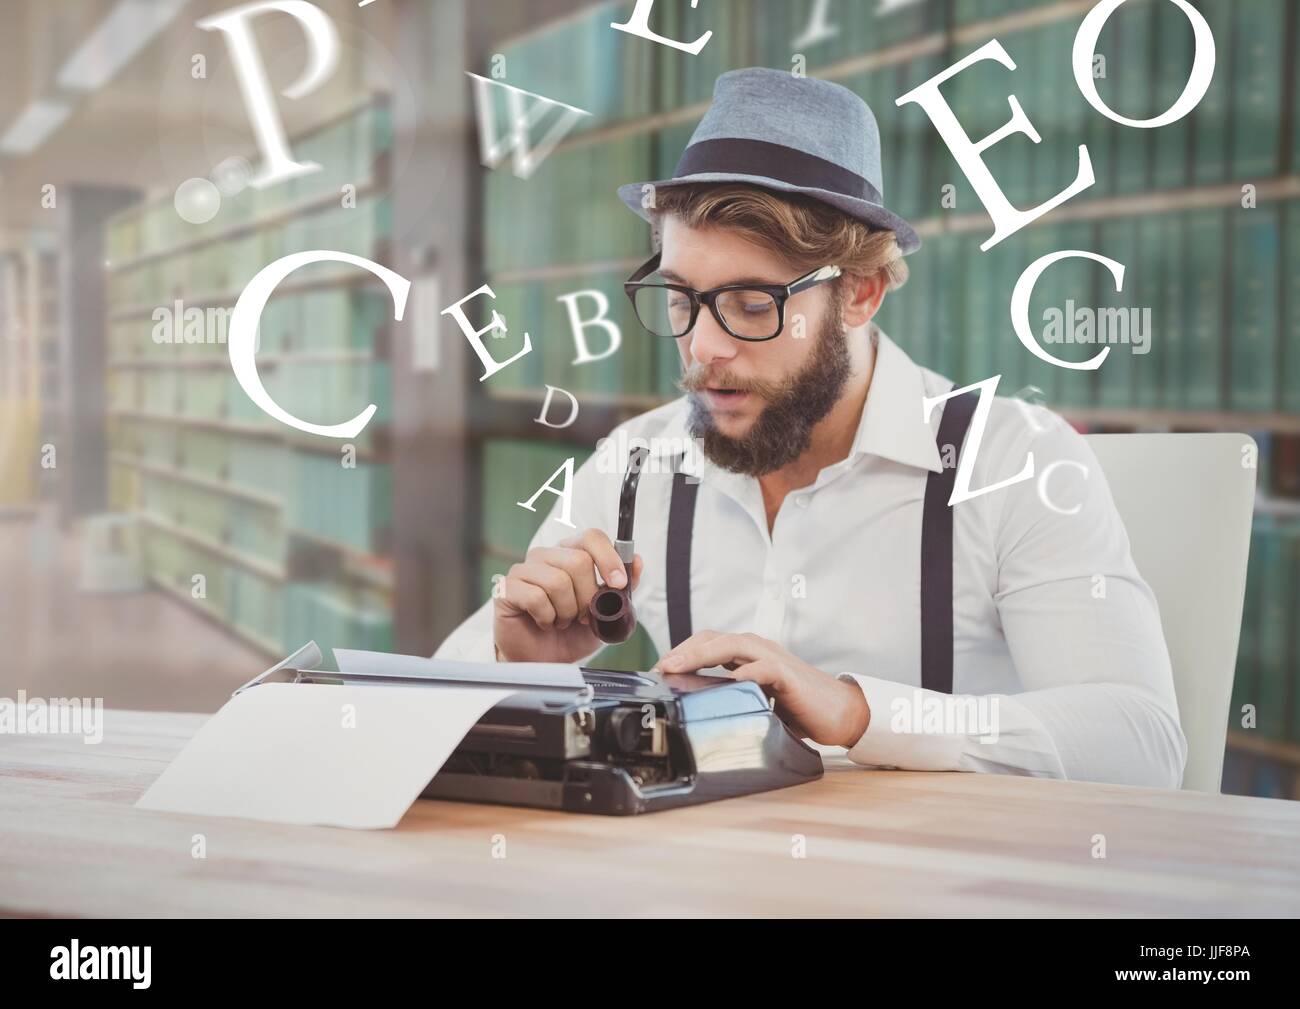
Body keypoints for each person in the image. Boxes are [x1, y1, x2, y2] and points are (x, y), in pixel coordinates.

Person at [434, 67, 1186, 788]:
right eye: (680, 298)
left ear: (860, 293)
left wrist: (860, 711)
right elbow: (428, 712)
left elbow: (1141, 741)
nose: (704, 348)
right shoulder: (637, 462)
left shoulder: (1013, 457)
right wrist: (519, 667)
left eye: (752, 305)